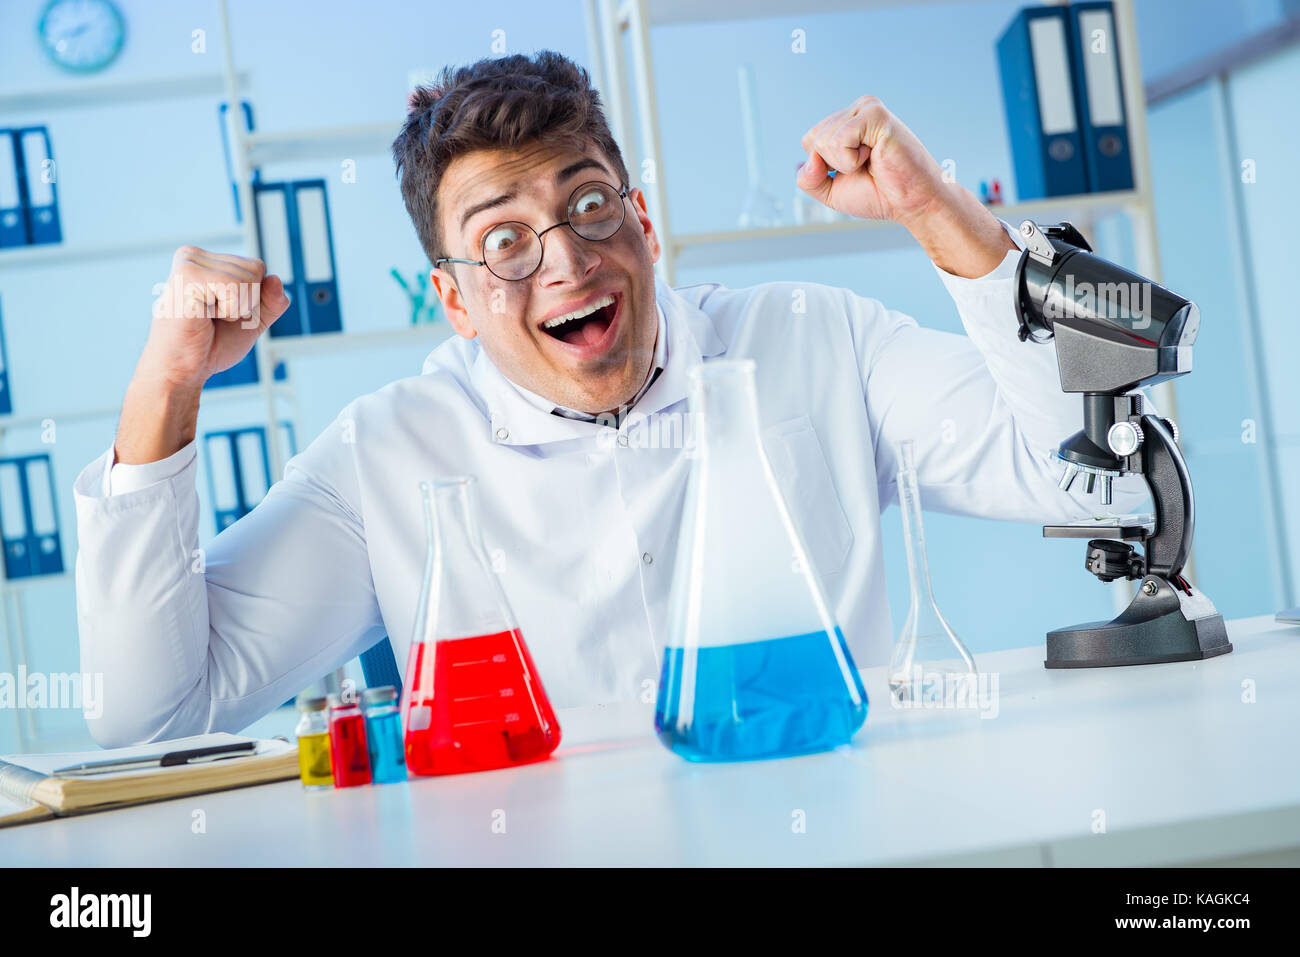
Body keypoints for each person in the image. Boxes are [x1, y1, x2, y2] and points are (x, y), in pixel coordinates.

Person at [73, 51, 1150, 747]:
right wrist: (163, 388)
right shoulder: (387, 456)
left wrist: (935, 212)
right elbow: (152, 709)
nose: (566, 262)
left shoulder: (814, 339)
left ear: (640, 216)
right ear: (449, 298)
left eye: (589, 204)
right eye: (503, 240)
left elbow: (1104, 483)